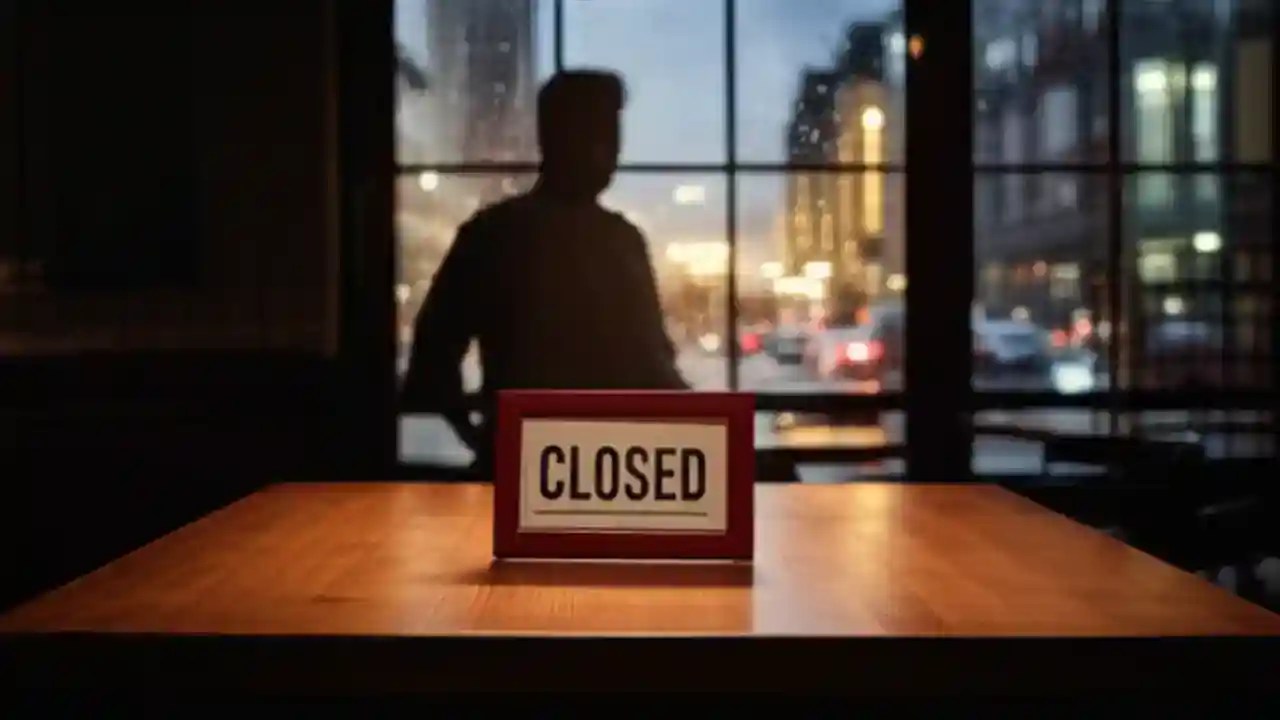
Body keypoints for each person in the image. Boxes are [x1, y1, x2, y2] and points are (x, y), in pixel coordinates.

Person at [400, 71, 689, 475]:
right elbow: (653, 368)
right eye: (602, 135)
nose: (612, 152)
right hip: (617, 469)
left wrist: (488, 438)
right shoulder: (621, 243)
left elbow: (431, 366)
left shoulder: (491, 233)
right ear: (557, 139)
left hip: (522, 465)